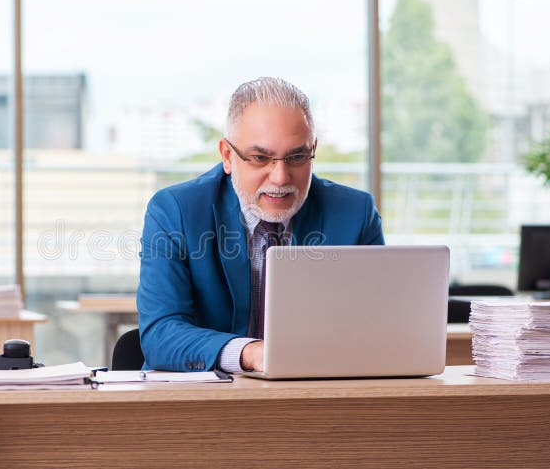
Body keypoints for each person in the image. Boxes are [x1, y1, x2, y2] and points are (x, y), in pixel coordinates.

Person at [137, 77, 384, 372]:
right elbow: (160, 334)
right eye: (259, 158)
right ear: (228, 156)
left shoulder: (356, 214)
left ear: (313, 150)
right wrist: (251, 353)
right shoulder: (174, 211)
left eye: (296, 157)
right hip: (205, 395)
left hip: (316, 390)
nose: (280, 177)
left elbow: (380, 327)